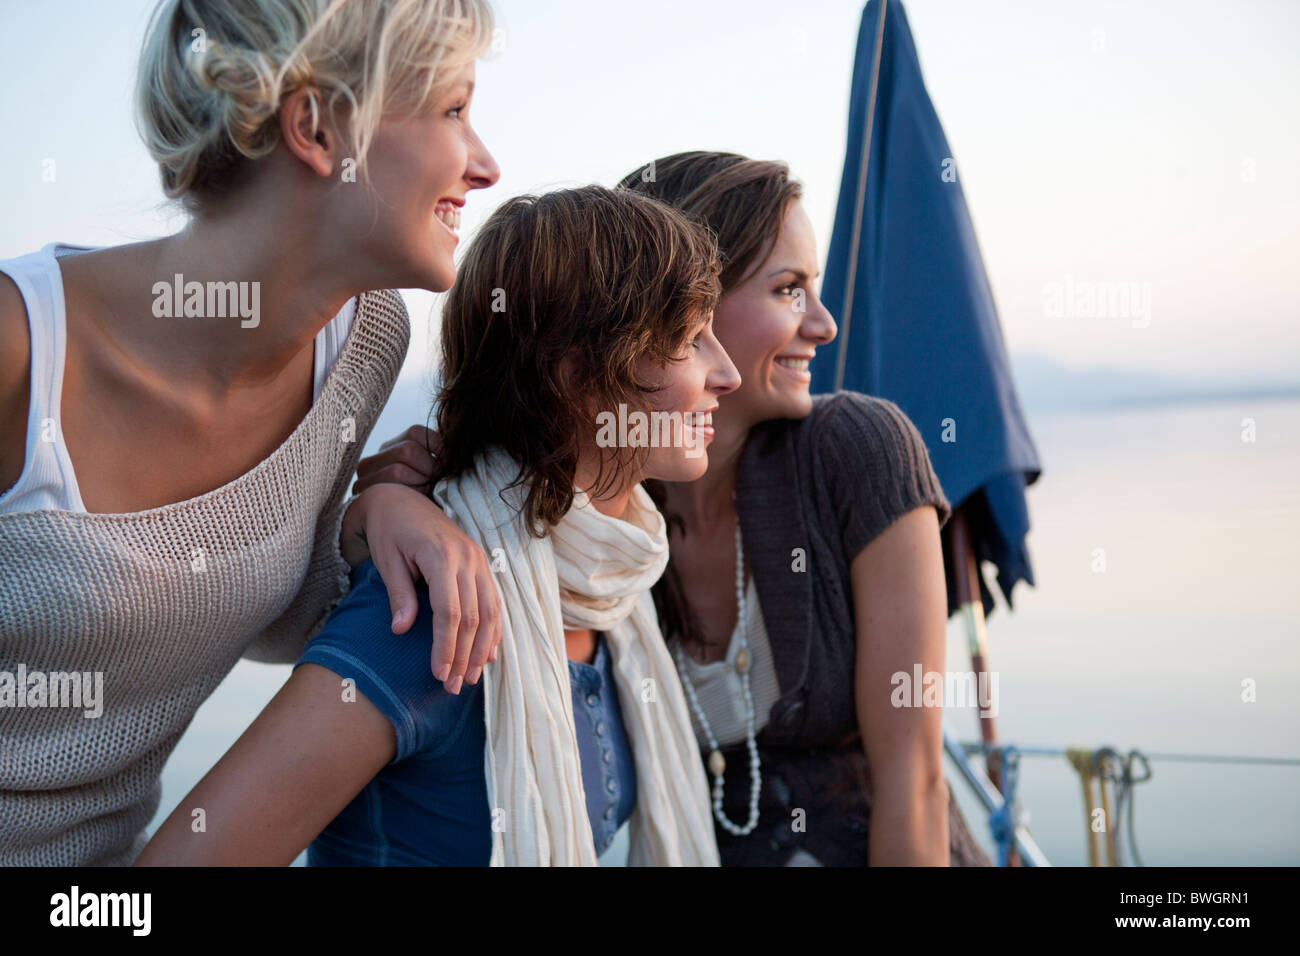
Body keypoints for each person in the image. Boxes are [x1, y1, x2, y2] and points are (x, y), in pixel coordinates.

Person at [360, 152, 993, 866]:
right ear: (677, 305)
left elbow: (916, 783)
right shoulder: (595, 508)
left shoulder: (856, 453)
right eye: (789, 290)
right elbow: (444, 505)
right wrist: (383, 506)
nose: (823, 324)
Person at [0, 0, 504, 866]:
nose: (486, 163)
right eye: (453, 110)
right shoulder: (21, 349)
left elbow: (269, 606)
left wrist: (379, 508)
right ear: (315, 127)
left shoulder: (364, 340)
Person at [135, 185, 737, 866]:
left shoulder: (615, 594)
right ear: (577, 376)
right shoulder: (429, 610)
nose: (728, 373)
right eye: (692, 341)